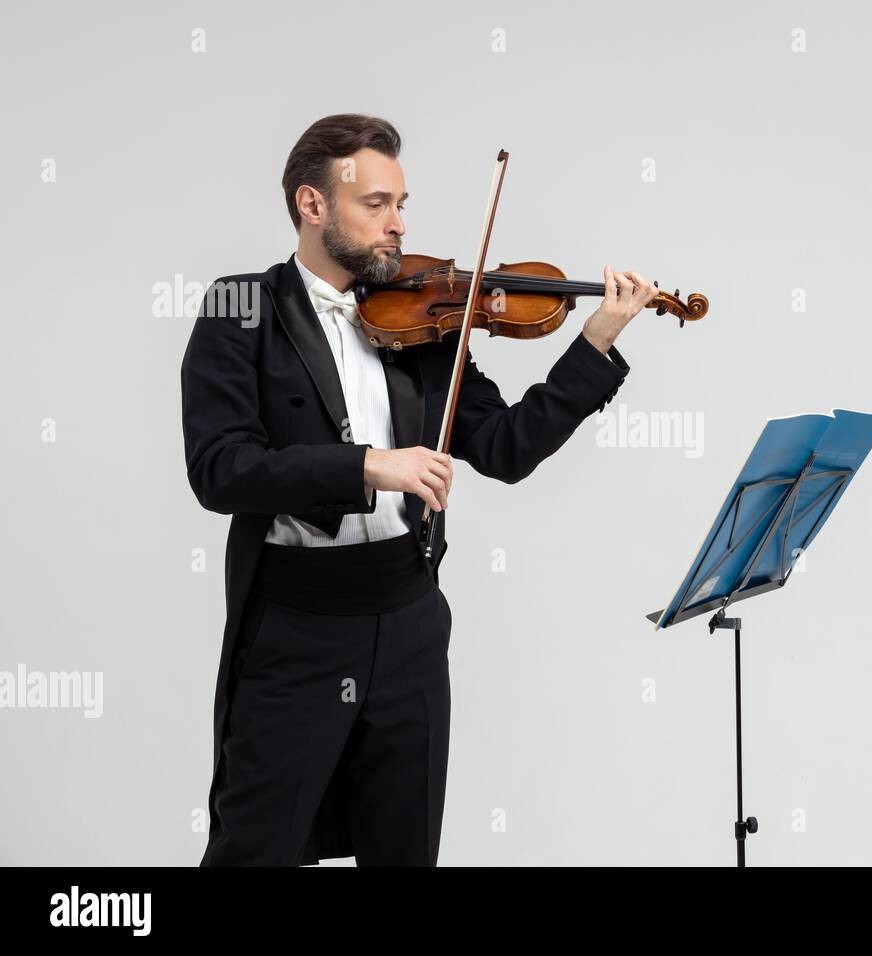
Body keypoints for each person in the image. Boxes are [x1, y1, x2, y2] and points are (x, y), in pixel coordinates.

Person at [181, 113, 656, 865]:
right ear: (313, 206)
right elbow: (221, 469)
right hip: (296, 625)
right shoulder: (240, 310)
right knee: (254, 849)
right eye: (377, 205)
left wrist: (594, 342)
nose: (399, 225)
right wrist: (368, 464)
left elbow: (504, 449)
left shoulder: (426, 322)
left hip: (407, 620)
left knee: (403, 852)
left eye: (402, 205)